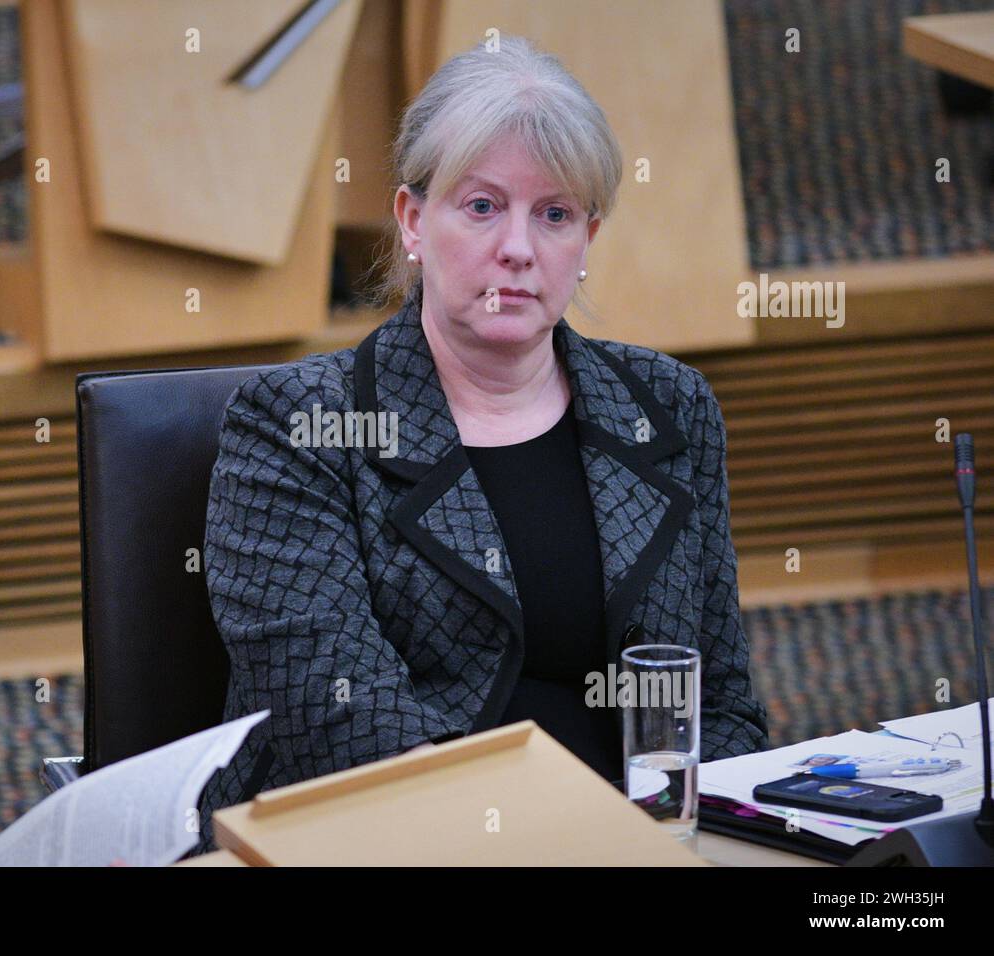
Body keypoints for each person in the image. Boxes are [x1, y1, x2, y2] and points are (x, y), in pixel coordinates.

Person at [191, 36, 767, 854]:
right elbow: (336, 722)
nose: (520, 249)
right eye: (483, 206)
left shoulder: (669, 408)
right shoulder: (298, 427)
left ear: (587, 241)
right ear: (413, 220)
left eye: (555, 214)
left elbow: (723, 707)